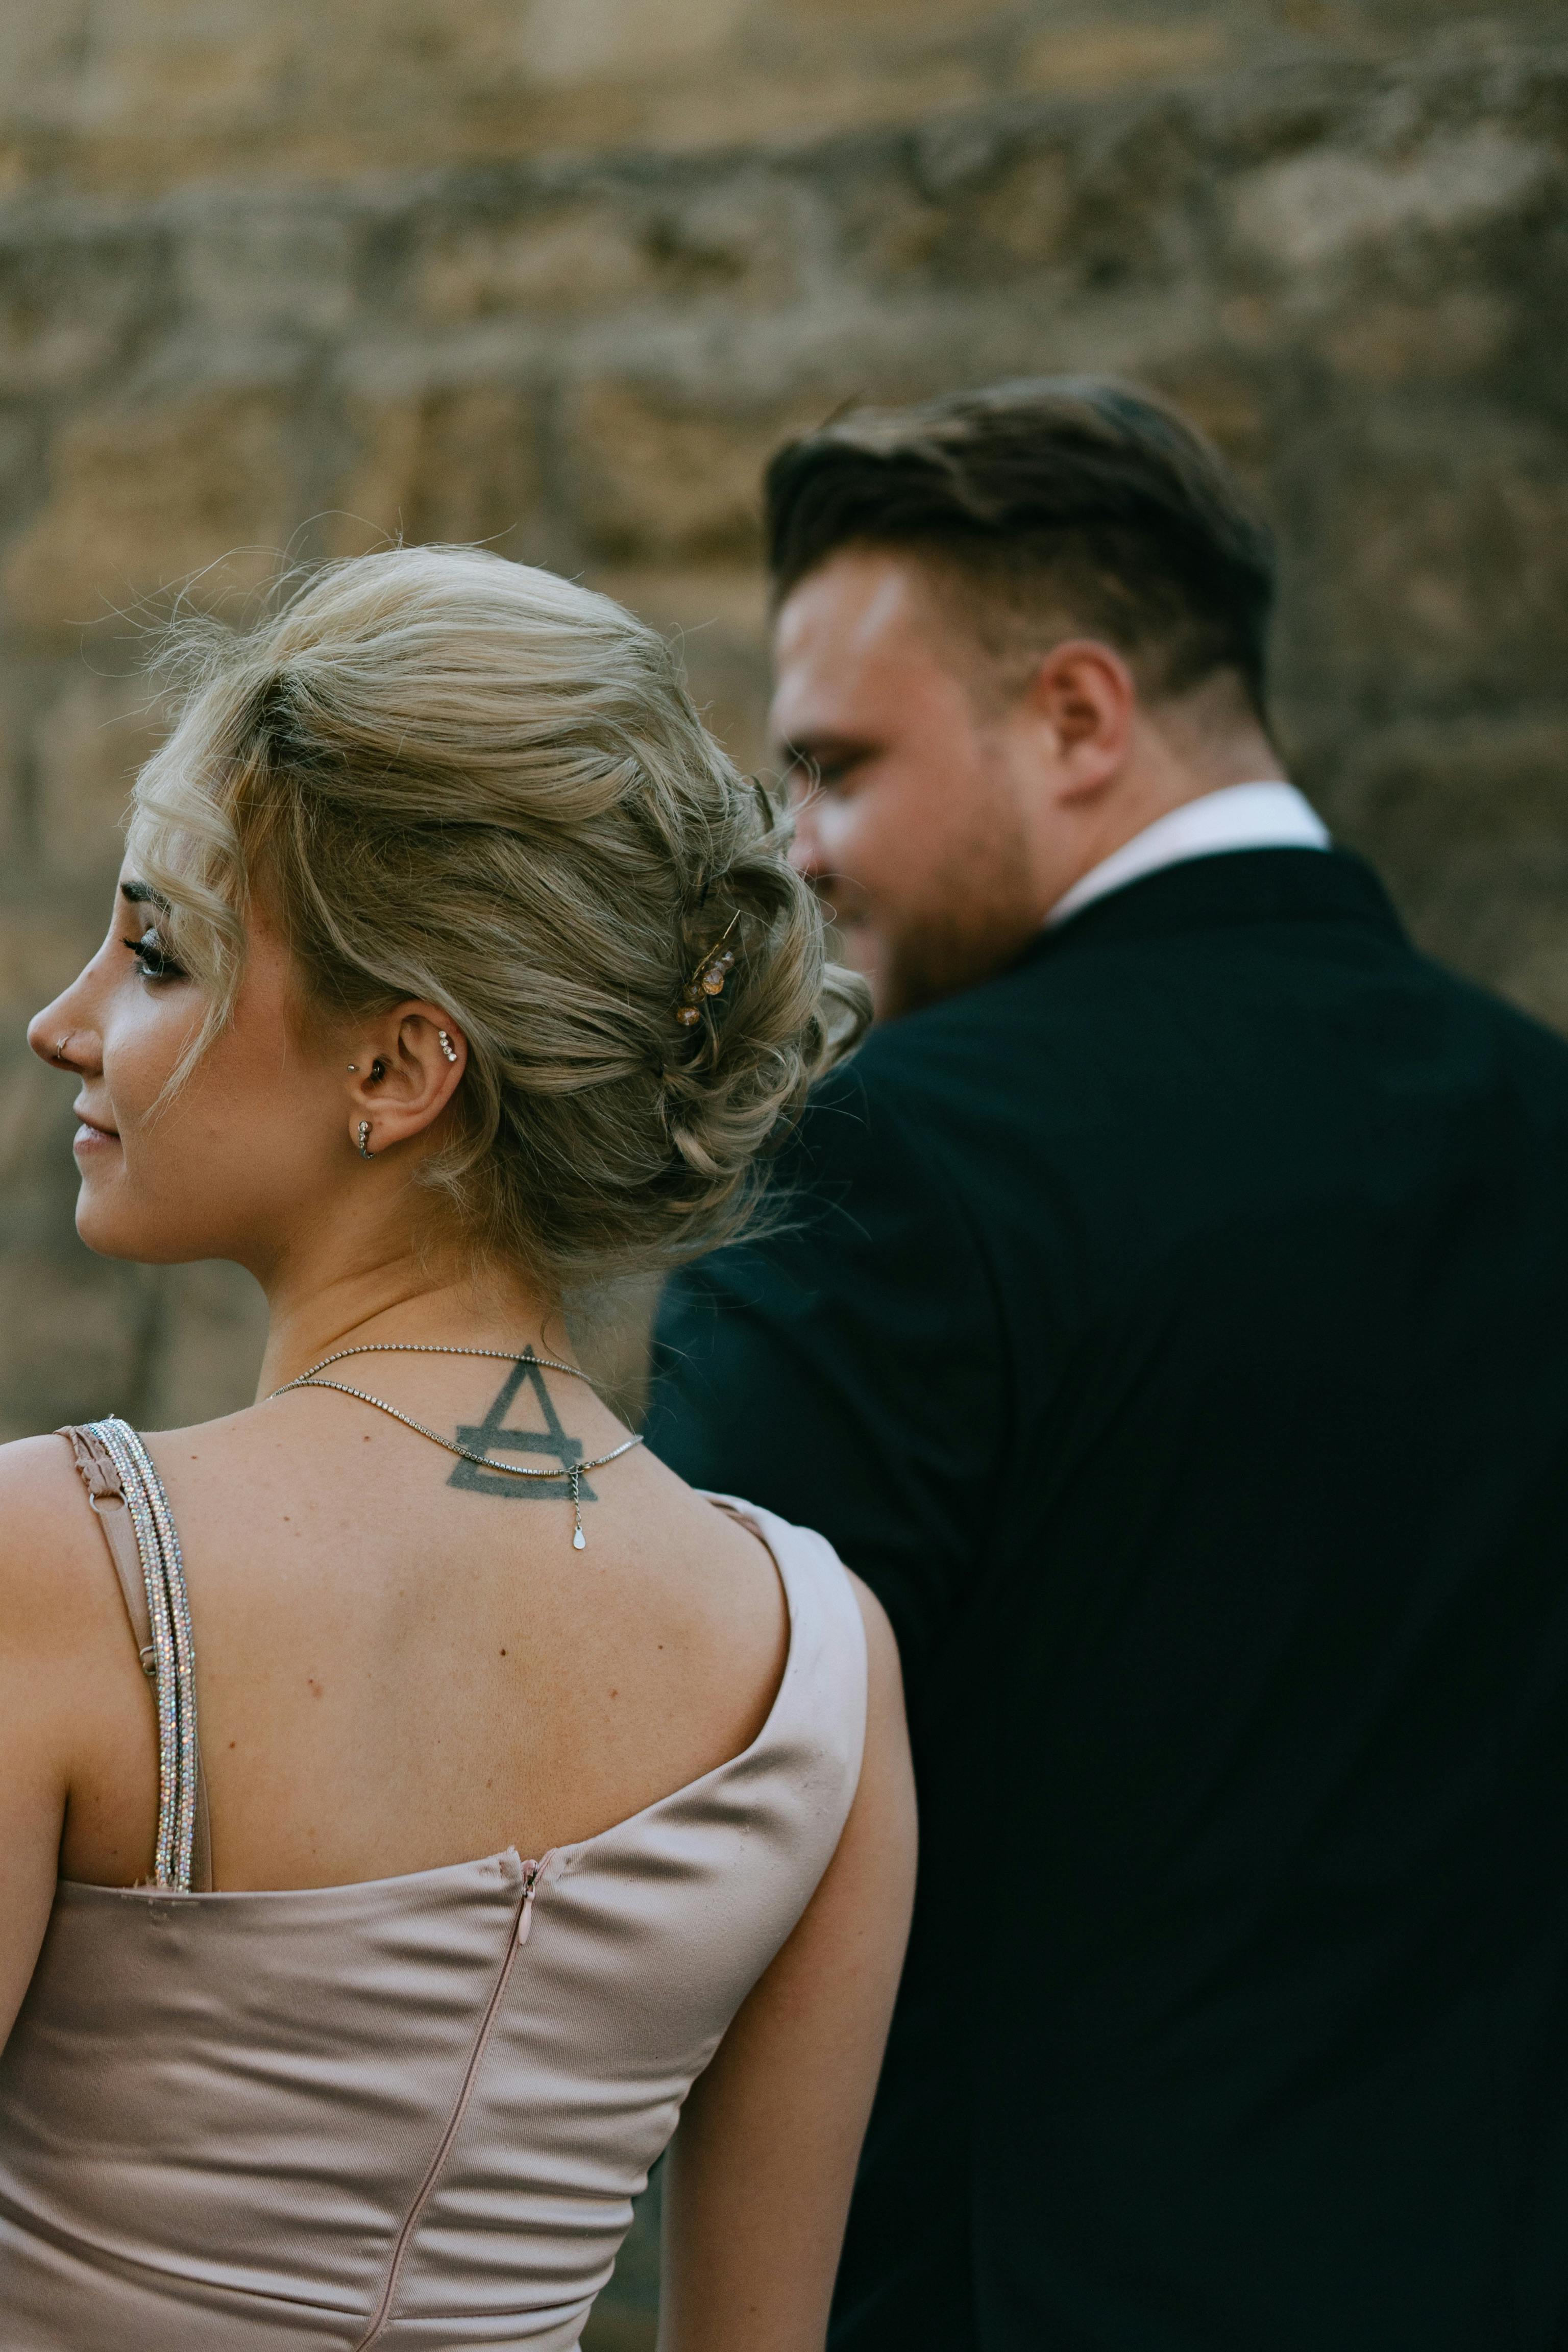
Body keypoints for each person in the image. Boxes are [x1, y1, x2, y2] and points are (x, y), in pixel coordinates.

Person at [646, 379, 1568, 2350]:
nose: (800, 850)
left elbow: (702, 1835)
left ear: (1077, 716)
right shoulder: (1541, 1114)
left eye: (835, 768)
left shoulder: (893, 1166)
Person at [0, 546, 916, 2351]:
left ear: (405, 1069)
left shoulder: (63, 1565)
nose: (67, 1021)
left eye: (161, 948)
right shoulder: (822, 1667)